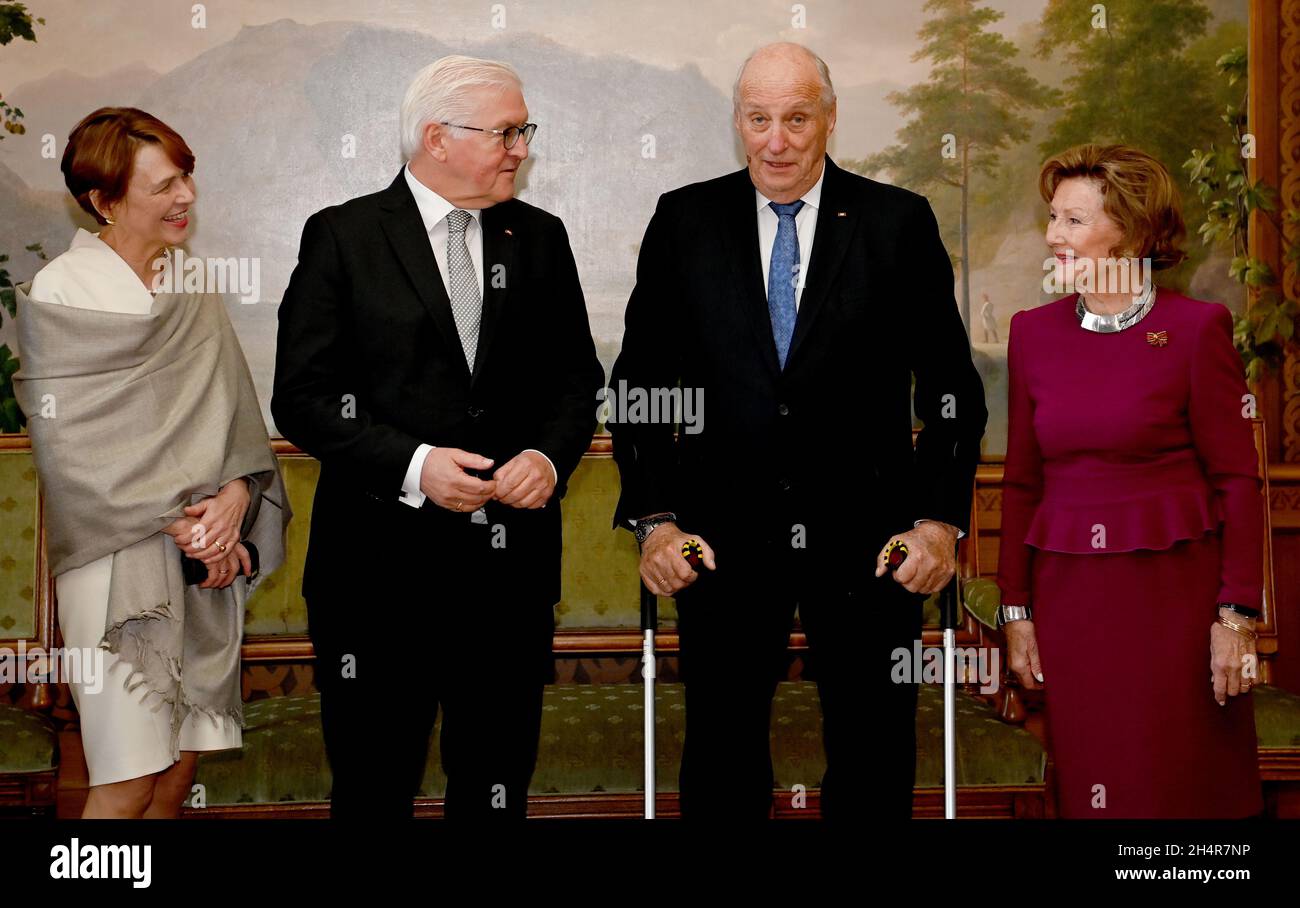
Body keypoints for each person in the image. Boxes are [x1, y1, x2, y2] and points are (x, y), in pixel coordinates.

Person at [609, 42, 987, 819]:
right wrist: (655, 520)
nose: (774, 140)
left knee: (876, 757)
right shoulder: (685, 220)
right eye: (757, 119)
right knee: (719, 763)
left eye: (795, 118)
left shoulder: (896, 222)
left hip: (872, 547)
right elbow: (641, 388)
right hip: (719, 542)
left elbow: (952, 392)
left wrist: (940, 522)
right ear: (738, 121)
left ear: (829, 119)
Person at [272, 55, 603, 819]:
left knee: (494, 788)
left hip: (509, 578)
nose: (521, 147)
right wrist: (415, 465)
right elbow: (303, 398)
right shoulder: (343, 237)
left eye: (525, 131)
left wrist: (548, 460)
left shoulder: (541, 238)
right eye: (507, 132)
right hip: (376, 580)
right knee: (374, 789)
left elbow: (576, 382)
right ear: (437, 137)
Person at [13, 107, 289, 819]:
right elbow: (74, 455)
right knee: (130, 774)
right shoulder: (62, 293)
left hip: (209, 555)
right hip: (116, 562)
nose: (186, 197)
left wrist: (231, 507)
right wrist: (190, 527)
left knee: (176, 774)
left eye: (187, 178)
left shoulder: (190, 282)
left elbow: (235, 417)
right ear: (104, 200)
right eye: (164, 185)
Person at [997, 143, 1264, 818]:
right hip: (1072, 603)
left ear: (1132, 231)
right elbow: (1023, 483)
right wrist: (1016, 611)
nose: (1054, 235)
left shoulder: (1196, 328)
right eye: (1052, 219)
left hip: (1176, 602)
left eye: (1073, 221)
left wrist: (1235, 616)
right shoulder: (1032, 334)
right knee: (1100, 784)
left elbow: (1236, 478)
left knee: (1182, 783)